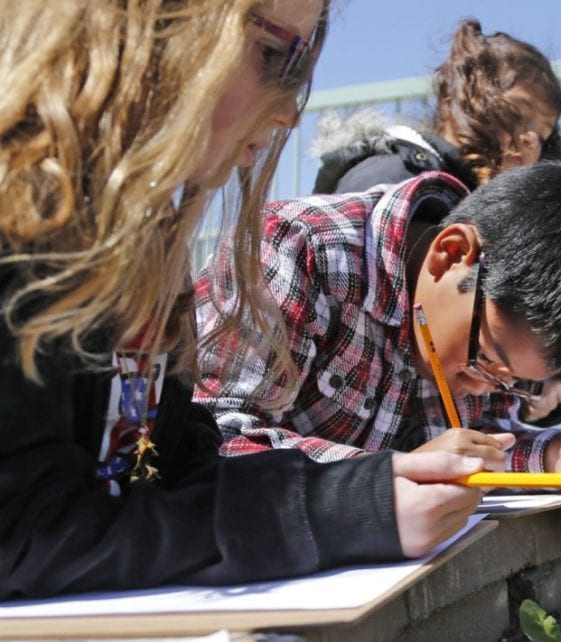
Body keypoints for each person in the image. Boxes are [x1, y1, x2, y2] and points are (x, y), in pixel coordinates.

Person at [0, 0, 489, 600]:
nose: (288, 112)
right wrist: (329, 515)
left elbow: (164, 469)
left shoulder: (141, 239)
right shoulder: (20, 233)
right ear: (141, 28)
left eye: (300, 62)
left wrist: (361, 490)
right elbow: (22, 532)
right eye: (269, 52)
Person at [195, 162, 561, 553]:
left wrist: (559, 450)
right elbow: (214, 436)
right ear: (451, 256)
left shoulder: (477, 322)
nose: (481, 388)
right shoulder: (298, 249)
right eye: (483, 360)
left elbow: (485, 441)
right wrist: (375, 479)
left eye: (512, 383)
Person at [312, 18, 561, 196]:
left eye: (542, 134)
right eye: (517, 114)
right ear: (470, 94)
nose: (530, 138)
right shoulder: (397, 177)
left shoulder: (470, 191)